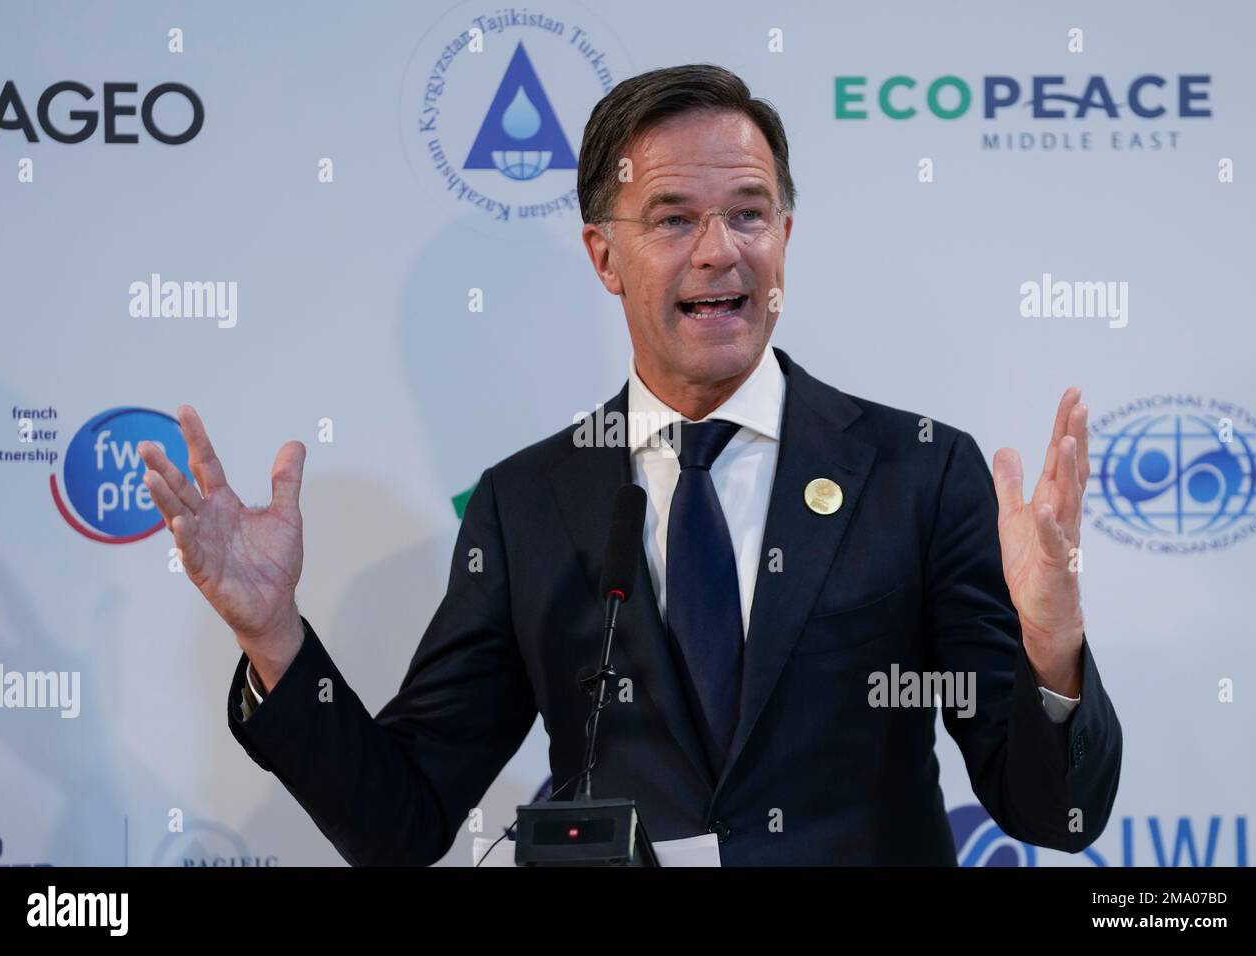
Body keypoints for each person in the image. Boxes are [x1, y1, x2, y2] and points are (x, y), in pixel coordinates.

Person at [138, 64, 1120, 866]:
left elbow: (1052, 813)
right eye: (672, 218)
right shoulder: (528, 503)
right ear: (604, 256)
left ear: (785, 236)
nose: (718, 251)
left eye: (749, 212)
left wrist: (1050, 647)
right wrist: (273, 636)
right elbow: (400, 820)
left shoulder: (917, 472)